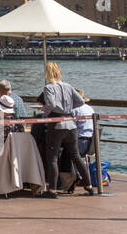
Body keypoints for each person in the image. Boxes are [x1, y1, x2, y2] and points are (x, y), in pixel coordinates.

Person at [36, 62, 93, 198]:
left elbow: (51, 104)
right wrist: (68, 107)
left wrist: (42, 109)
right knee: (76, 156)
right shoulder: (68, 86)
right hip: (71, 124)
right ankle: (89, 186)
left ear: (47, 73)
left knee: (53, 158)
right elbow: (81, 102)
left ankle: (52, 190)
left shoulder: (49, 87)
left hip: (56, 123)